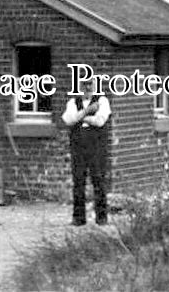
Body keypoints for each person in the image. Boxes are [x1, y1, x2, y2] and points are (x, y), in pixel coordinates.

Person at [61, 77, 111, 226]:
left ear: (95, 86)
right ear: (79, 87)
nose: (87, 88)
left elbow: (100, 120)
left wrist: (81, 117)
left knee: (98, 180)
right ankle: (78, 218)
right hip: (78, 146)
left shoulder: (102, 101)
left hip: (96, 147)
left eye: (90, 84)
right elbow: (68, 120)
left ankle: (101, 217)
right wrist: (88, 112)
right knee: (78, 181)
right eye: (84, 85)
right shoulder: (72, 102)